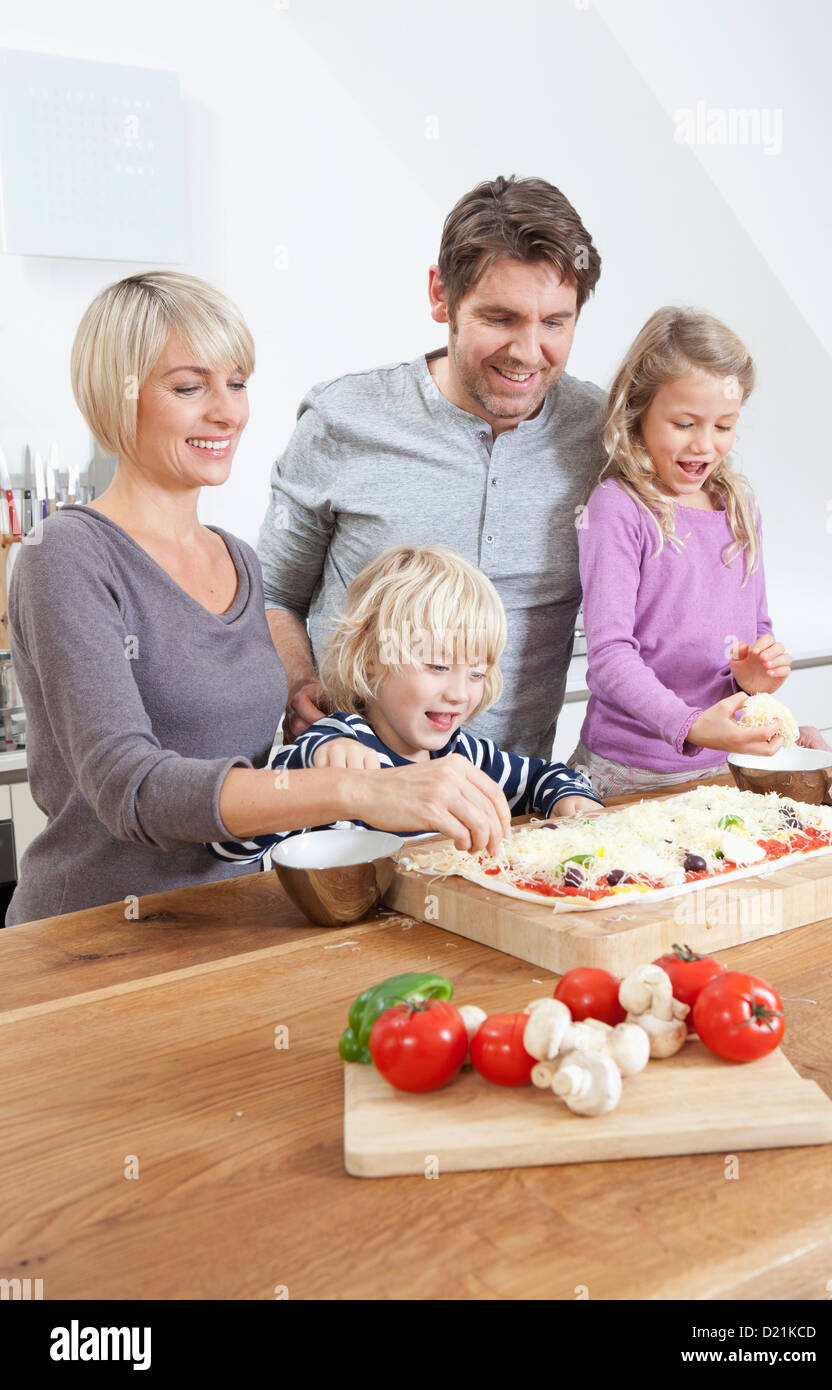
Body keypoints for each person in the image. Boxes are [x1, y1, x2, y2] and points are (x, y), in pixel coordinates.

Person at [5, 274, 509, 926]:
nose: (227, 411)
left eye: (237, 382)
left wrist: (313, 723)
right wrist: (362, 787)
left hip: (238, 920)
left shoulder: (239, 559)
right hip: (93, 941)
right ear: (117, 396)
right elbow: (132, 789)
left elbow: (238, 762)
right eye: (189, 387)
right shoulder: (64, 552)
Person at [257, 174, 606, 762]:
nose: (527, 351)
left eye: (555, 322)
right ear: (441, 295)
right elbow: (269, 593)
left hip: (516, 802)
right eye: (501, 318)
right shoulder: (345, 419)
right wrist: (297, 683)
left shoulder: (602, 435)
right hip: (354, 796)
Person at [568, 306, 827, 799]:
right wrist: (691, 725)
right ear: (637, 409)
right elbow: (610, 657)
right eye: (685, 423)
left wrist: (755, 675)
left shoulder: (740, 507)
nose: (704, 446)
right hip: (626, 773)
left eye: (724, 426)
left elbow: (758, 633)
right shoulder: (617, 508)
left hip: (722, 769)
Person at [209, 545, 604, 865]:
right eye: (437, 665)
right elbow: (231, 848)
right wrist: (322, 773)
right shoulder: (335, 742)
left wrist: (570, 798)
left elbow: (542, 778)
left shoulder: (462, 755)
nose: (458, 693)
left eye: (477, 673)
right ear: (370, 655)